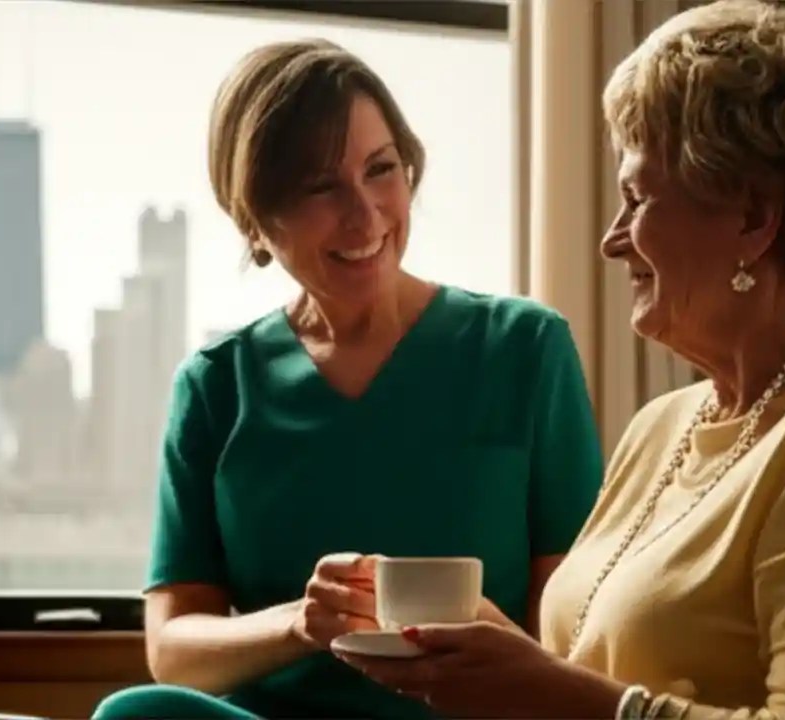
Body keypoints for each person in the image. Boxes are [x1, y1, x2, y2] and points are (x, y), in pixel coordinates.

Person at [337, 2, 785, 718]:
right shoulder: (665, 425)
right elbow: (600, 672)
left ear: (752, 218)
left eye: (637, 198)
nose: (613, 240)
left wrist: (551, 691)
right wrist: (474, 649)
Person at [92, 39, 603, 720]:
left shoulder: (525, 348)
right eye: (320, 187)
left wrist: (485, 651)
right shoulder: (216, 387)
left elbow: (576, 629)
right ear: (256, 219)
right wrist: (301, 623)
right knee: (135, 714)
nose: (365, 214)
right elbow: (173, 648)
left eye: (381, 169)